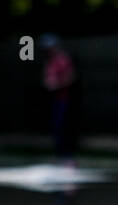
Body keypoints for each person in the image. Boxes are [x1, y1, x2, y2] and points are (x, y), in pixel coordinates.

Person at [40, 34, 77, 162]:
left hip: (63, 98)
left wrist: (57, 85)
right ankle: (60, 155)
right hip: (53, 99)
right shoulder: (49, 61)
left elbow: (70, 77)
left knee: (63, 127)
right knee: (56, 127)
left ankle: (67, 156)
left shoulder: (62, 59)